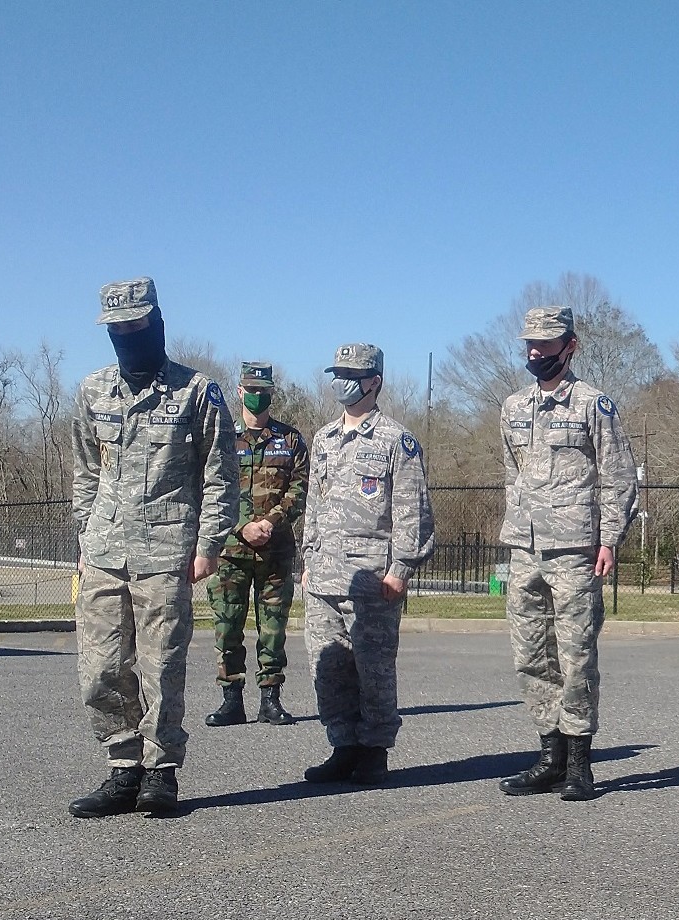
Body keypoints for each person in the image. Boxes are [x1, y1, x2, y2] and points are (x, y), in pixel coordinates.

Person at [68, 277, 239, 817]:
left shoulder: (195, 391)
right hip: (103, 553)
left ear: (156, 321)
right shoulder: (94, 390)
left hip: (166, 553)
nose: (125, 335)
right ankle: (122, 768)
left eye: (135, 325)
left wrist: (209, 543)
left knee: (159, 667)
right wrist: (84, 534)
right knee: (100, 670)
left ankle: (161, 771)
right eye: (115, 328)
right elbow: (85, 470)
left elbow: (221, 476)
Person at [497, 305, 638, 802]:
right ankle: (549, 754)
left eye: (546, 344)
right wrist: (513, 532)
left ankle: (580, 760)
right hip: (525, 547)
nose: (535, 352)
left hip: (576, 548)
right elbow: (512, 473)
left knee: (576, 654)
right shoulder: (514, 406)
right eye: (530, 344)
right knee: (531, 654)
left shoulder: (592, 404)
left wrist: (610, 538)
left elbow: (618, 474)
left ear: (570, 345)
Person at [301, 343, 435, 786]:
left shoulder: (397, 440)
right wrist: (308, 557)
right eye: (336, 373)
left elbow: (412, 511)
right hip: (323, 574)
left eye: (351, 374)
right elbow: (313, 505)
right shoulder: (323, 438)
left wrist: (401, 569)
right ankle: (343, 746)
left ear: (374, 381)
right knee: (329, 665)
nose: (341, 382)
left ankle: (375, 750)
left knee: (373, 667)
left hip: (371, 577)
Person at [205, 361, 310, 728]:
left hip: (275, 550)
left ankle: (271, 698)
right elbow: (210, 489)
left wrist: (268, 522)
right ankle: (230, 699)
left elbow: (299, 489)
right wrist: (241, 526)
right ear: (239, 391)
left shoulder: (291, 439)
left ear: (271, 393)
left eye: (264, 389)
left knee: (273, 628)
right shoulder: (220, 438)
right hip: (230, 551)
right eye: (251, 388)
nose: (257, 395)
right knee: (227, 625)